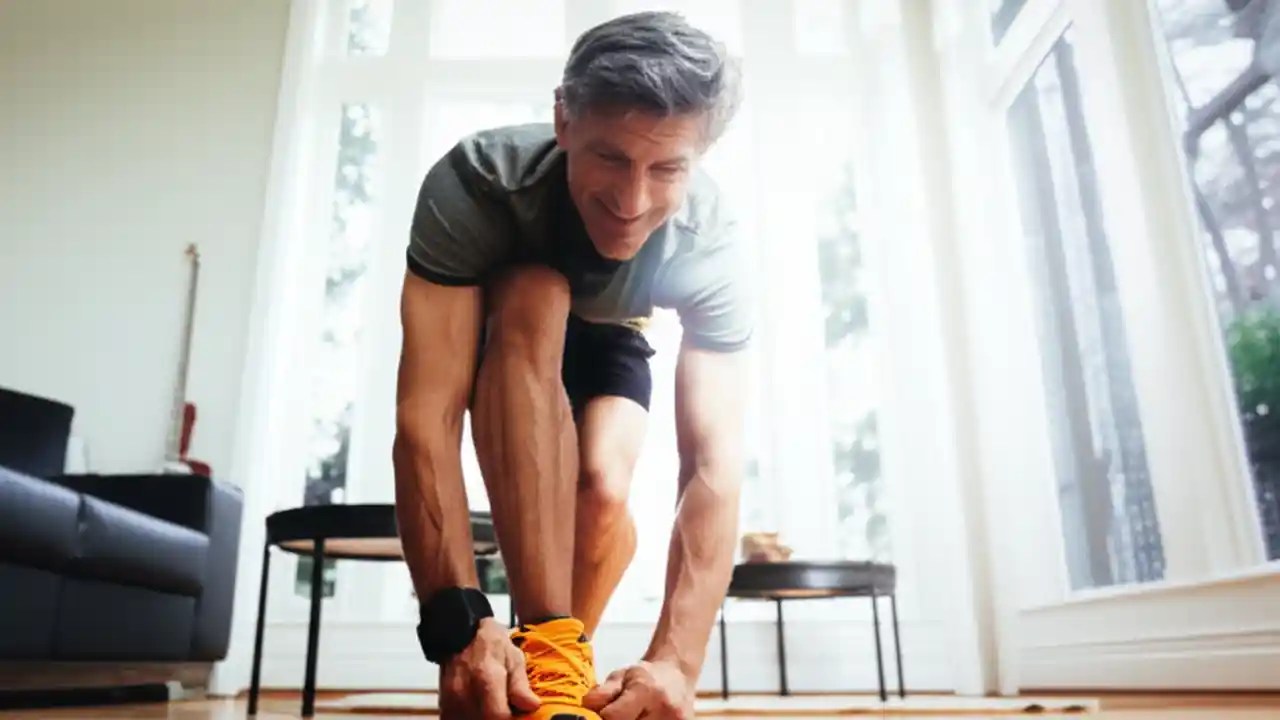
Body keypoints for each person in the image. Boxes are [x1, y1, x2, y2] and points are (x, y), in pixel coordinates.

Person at [393, 11, 750, 719]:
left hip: (616, 336)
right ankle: (532, 658)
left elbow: (714, 461)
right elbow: (426, 419)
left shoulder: (708, 243)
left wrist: (677, 663)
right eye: (611, 157)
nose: (632, 200)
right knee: (535, 289)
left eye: (668, 168)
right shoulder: (479, 183)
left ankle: (549, 669)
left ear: (700, 157)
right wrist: (458, 627)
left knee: (602, 489)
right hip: (509, 324)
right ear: (563, 119)